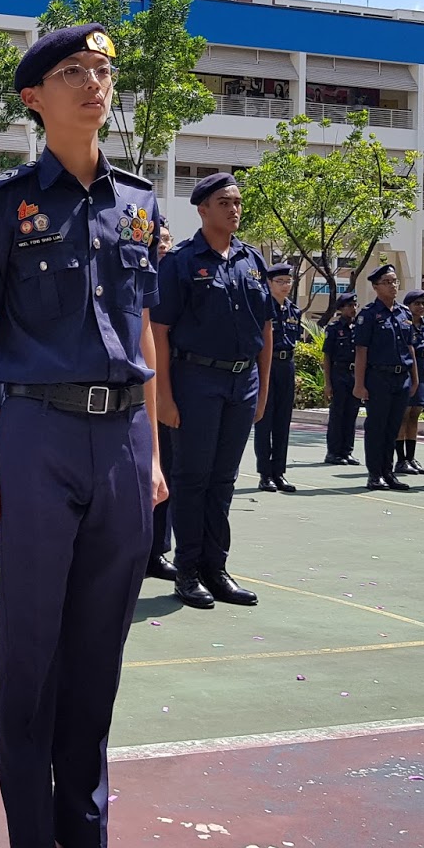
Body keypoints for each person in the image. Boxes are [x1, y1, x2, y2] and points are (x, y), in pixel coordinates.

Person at [0, 24, 165, 848]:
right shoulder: (4, 203)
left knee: (97, 652)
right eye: (74, 71)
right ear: (34, 98)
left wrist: (151, 450)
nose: (94, 83)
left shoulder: (140, 202)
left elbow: (142, 325)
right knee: (33, 652)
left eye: (103, 71)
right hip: (37, 433)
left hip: (122, 437)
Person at [153, 172, 270, 610]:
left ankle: (215, 569)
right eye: (224, 202)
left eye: (237, 201)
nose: (234, 209)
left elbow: (265, 328)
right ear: (202, 209)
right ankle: (187, 571)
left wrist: (262, 390)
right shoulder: (181, 262)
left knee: (223, 480)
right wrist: (163, 396)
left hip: (242, 381)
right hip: (196, 380)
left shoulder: (250, 259)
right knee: (192, 478)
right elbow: (159, 332)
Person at [352, 264, 418, 492]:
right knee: (376, 427)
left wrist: (415, 379)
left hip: (402, 378)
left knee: (393, 427)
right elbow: (361, 350)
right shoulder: (369, 314)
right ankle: (375, 474)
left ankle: (388, 473)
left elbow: (410, 347)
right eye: (387, 282)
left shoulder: (404, 313)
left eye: (394, 281)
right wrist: (359, 384)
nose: (392, 286)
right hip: (378, 377)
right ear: (376, 287)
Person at [254, 262, 302, 493]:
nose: (285, 285)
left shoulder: (294, 311)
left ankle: (279, 472)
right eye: (280, 281)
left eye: (288, 281)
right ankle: (265, 474)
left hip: (286, 365)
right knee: (265, 420)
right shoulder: (263, 307)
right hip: (267, 364)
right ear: (269, 283)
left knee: (283, 421)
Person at [146, 222, 177, 582]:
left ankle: (156, 550)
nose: (163, 246)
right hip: (128, 388)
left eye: (167, 240)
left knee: (163, 469)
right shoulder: (129, 274)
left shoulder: (176, 276)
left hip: (163, 387)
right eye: (158, 240)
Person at [397, 290, 424, 475]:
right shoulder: (403, 325)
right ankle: (400, 459)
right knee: (403, 415)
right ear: (408, 306)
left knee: (415, 415)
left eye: (423, 303)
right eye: (416, 303)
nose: (421, 307)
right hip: (409, 369)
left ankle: (411, 457)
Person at [322, 294, 361, 464]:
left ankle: (347, 451)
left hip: (354, 374)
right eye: (349, 305)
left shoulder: (359, 327)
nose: (353, 309)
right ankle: (333, 452)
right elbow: (327, 357)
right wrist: (328, 384)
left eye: (355, 305)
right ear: (341, 308)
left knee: (351, 413)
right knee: (337, 414)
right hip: (339, 373)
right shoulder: (334, 328)